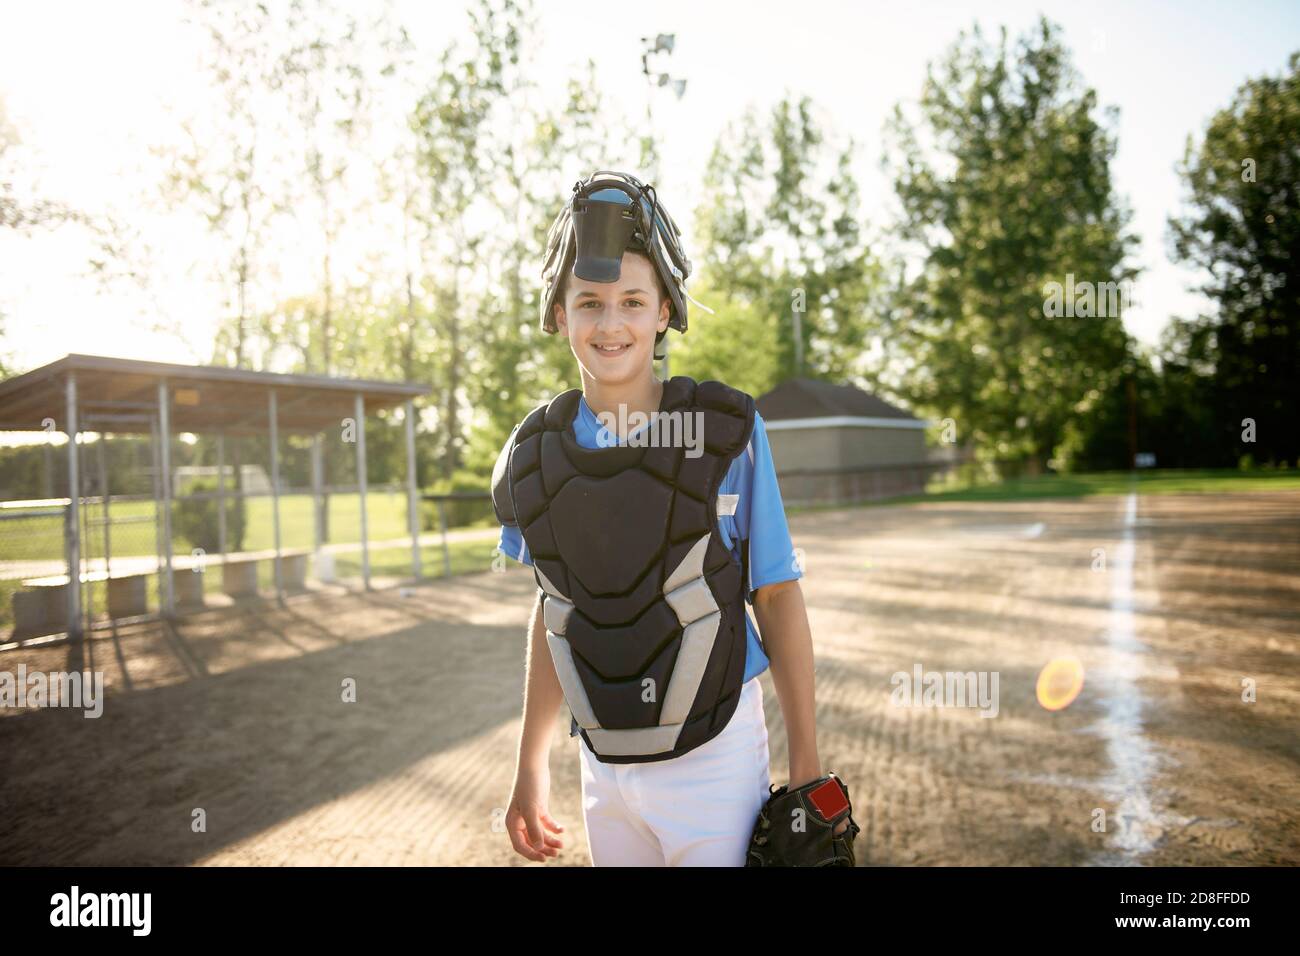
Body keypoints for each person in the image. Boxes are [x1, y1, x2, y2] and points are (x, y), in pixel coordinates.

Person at [495, 170, 846, 866]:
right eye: (589, 302)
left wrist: (807, 763)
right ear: (559, 314)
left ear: (663, 311)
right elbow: (554, 608)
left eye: (632, 300)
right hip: (604, 767)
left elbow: (776, 593)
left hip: (712, 760)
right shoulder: (534, 453)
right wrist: (529, 765)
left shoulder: (722, 431)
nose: (610, 322)